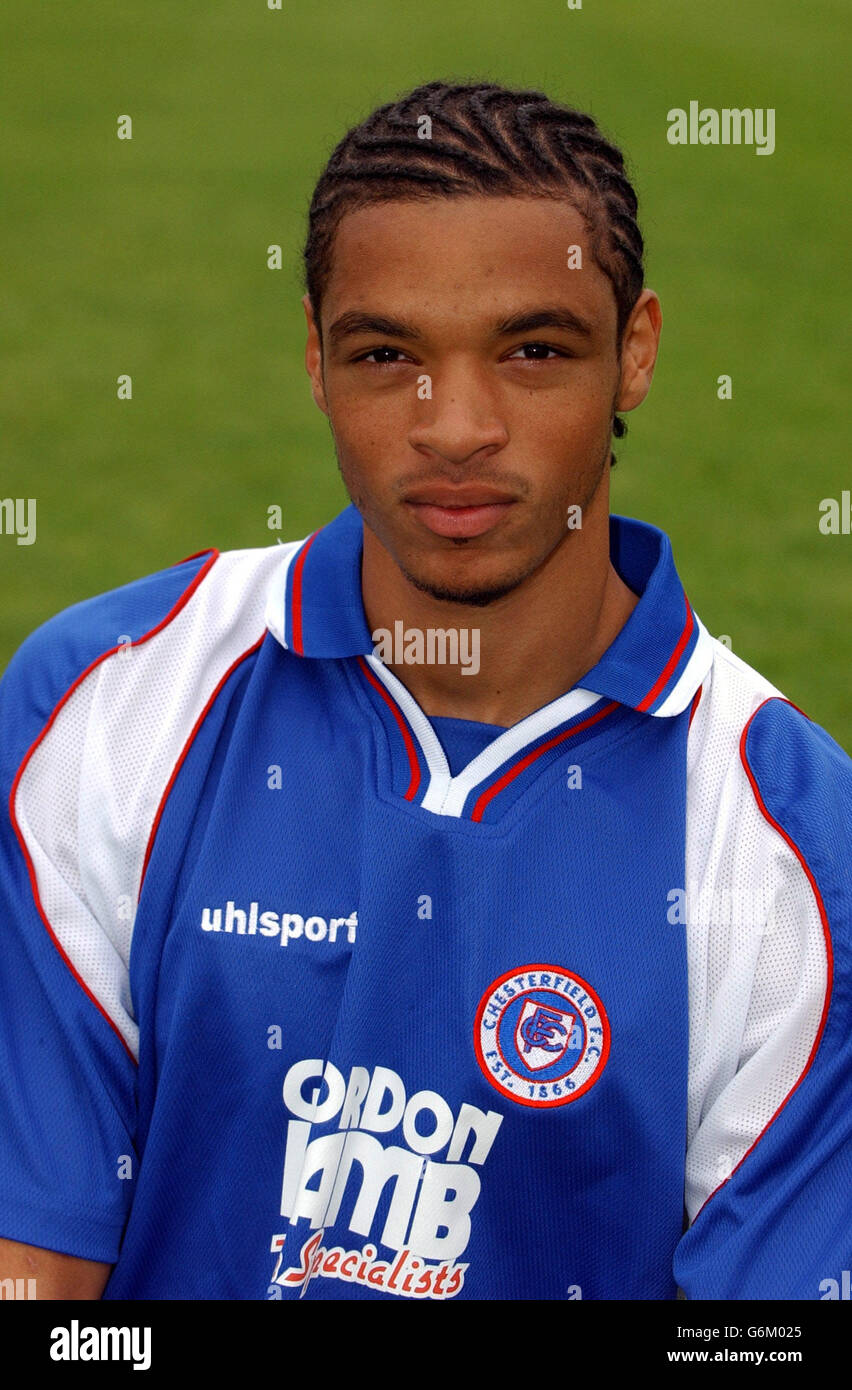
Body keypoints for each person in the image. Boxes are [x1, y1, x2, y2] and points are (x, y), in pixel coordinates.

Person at [0, 80, 849, 1302]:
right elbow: (35, 1265)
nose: (454, 426)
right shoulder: (105, 703)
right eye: (388, 353)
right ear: (314, 357)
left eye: (534, 350)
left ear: (638, 353)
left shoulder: (795, 859)